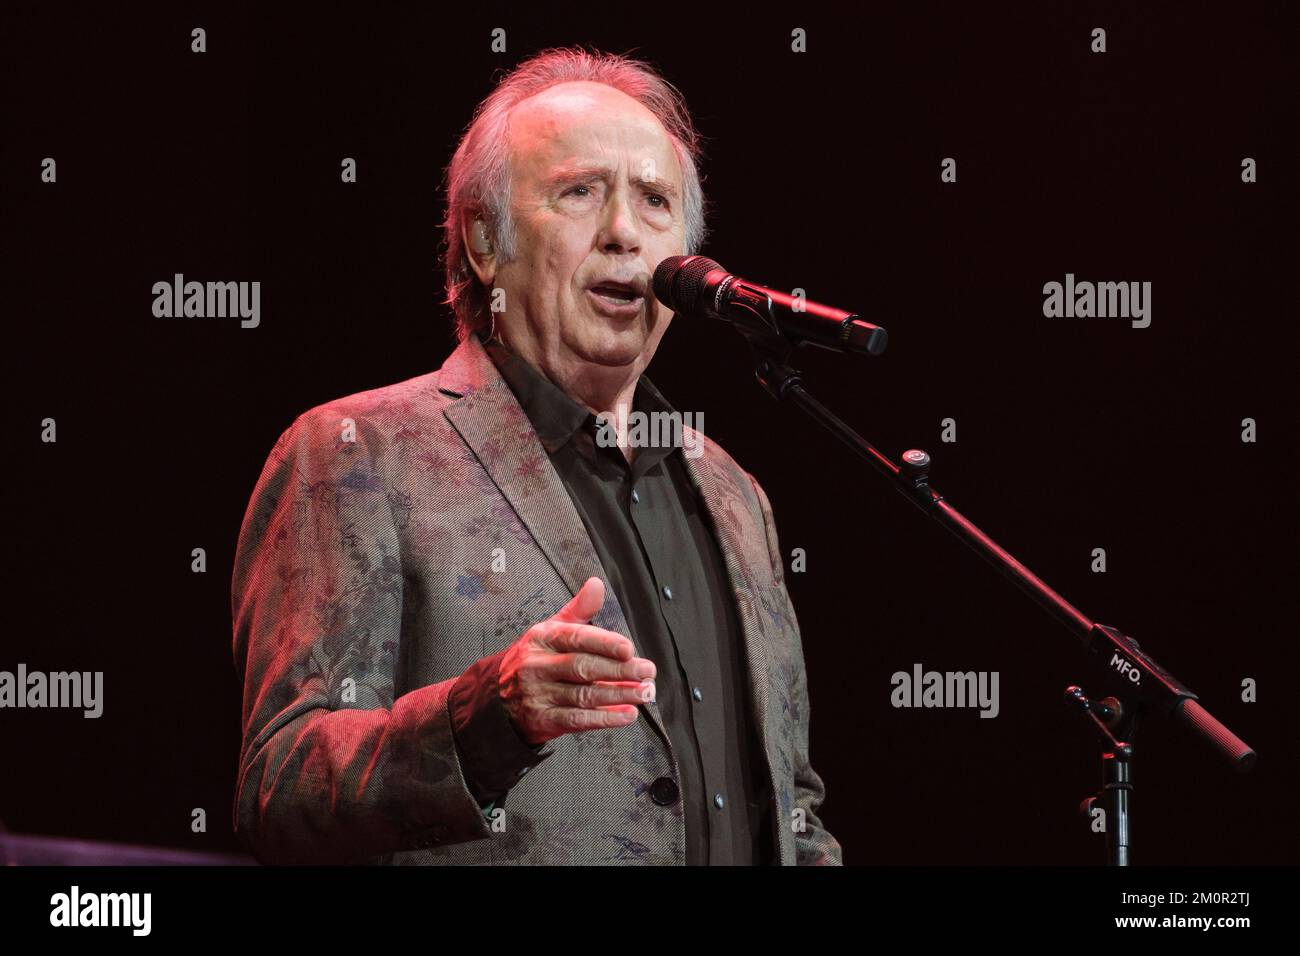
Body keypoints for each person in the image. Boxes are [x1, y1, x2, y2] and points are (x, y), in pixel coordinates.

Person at [231, 46, 842, 865]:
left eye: (656, 201)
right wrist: (488, 718)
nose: (626, 232)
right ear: (487, 244)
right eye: (581, 193)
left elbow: (791, 800)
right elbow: (281, 790)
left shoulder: (736, 495)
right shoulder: (357, 453)